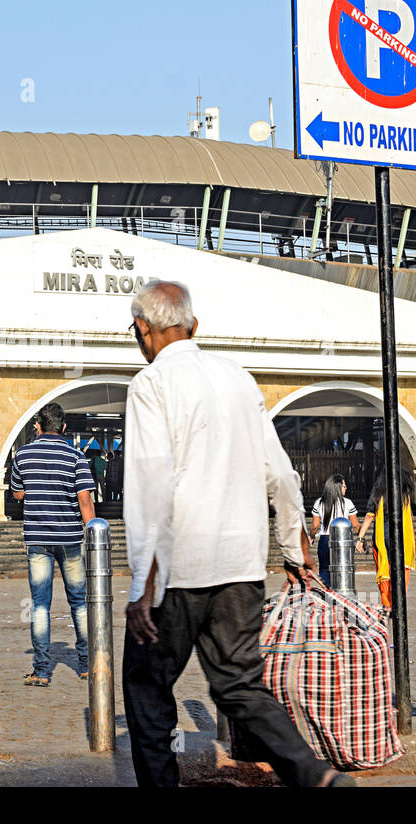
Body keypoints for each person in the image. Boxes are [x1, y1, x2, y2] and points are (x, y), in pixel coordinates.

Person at [120, 280, 345, 788]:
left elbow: (151, 485)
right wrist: (293, 549)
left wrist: (143, 586)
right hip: (242, 566)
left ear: (142, 330)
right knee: (240, 685)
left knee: (147, 690)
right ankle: (314, 775)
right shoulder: (238, 378)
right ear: (194, 326)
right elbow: (282, 474)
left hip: (177, 572)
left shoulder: (150, 384)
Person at [8, 401, 95, 687]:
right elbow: (85, 499)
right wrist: (94, 534)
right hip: (71, 539)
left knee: (41, 606)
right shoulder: (76, 457)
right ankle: (86, 665)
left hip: (38, 540)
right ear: (64, 427)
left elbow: (18, 494)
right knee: (80, 604)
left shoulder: (23, 454)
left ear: (38, 426)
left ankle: (42, 670)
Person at [355, 469, 416, 609]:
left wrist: (360, 538)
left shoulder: (378, 493)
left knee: (385, 571)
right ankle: (398, 603)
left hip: (382, 538)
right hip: (402, 538)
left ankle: (387, 604)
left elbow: (369, 516)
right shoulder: (404, 493)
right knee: (401, 571)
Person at [310, 472, 358, 587]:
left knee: (325, 568)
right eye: (344, 486)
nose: (345, 489)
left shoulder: (319, 502)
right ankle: (341, 596)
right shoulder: (347, 503)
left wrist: (311, 536)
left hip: (325, 539)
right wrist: (360, 538)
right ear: (338, 487)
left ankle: (327, 595)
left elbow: (315, 525)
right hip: (343, 540)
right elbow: (355, 525)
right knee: (343, 569)